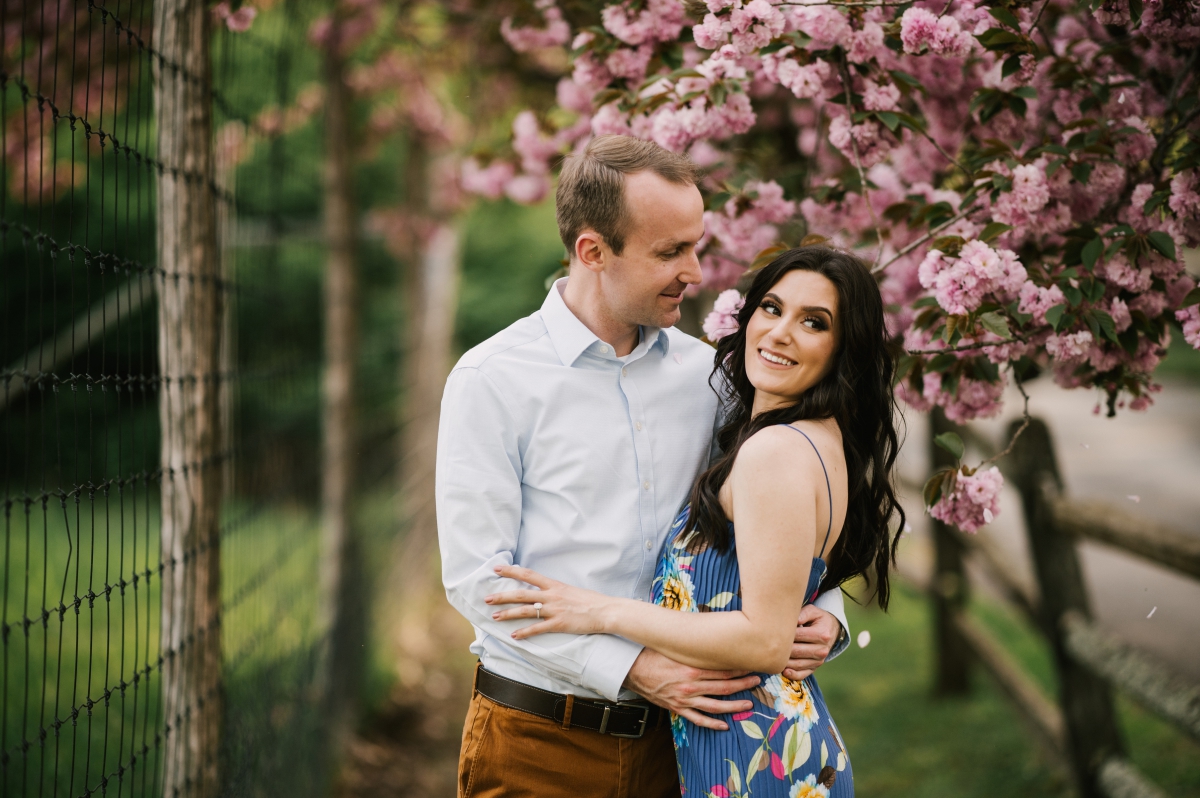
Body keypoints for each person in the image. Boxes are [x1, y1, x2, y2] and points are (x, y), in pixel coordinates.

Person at [436, 136, 851, 798]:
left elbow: (785, 504)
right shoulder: (493, 380)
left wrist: (825, 609)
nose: (694, 271)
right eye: (670, 252)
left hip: (684, 747)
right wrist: (633, 668)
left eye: (695, 246)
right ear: (593, 252)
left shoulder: (712, 378)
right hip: (538, 743)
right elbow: (480, 581)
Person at [487, 246, 906, 798]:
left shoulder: (775, 451)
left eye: (814, 323)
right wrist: (821, 612)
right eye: (773, 308)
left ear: (842, 349)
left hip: (755, 759)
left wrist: (599, 611)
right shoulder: (810, 434)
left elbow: (762, 640)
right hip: (761, 743)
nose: (780, 333)